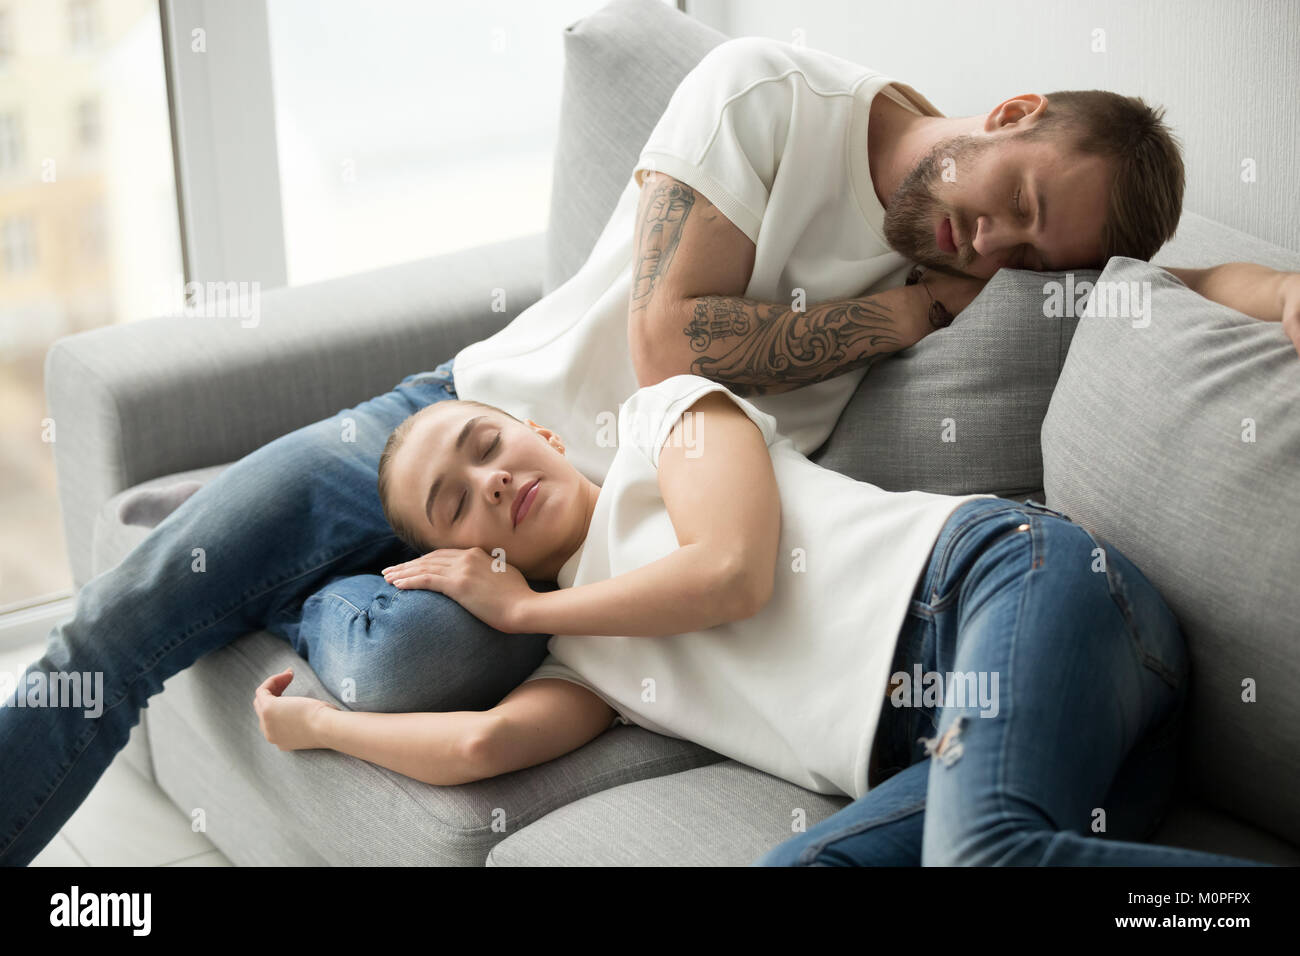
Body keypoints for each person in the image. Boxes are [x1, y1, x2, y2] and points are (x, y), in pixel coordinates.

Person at [5, 36, 1294, 866]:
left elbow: (1137, 279)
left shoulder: (979, 258)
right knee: (121, 624)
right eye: (1006, 204)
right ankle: (261, 537)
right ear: (1009, 109)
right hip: (470, 423)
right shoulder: (768, 94)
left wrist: (1268, 288)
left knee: (404, 657)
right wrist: (887, 318)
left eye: (1025, 250)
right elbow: (669, 341)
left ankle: (296, 570)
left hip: (602, 558)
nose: (989, 247)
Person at [253, 377, 1262, 866]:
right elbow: (481, 740)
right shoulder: (584, 663)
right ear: (460, 551)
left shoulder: (670, 417)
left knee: (980, 852)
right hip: (1039, 748)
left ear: (541, 429)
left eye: (487, 443)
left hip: (1016, 587)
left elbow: (731, 572)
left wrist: (524, 604)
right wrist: (321, 724)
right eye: (454, 500)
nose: (493, 478)